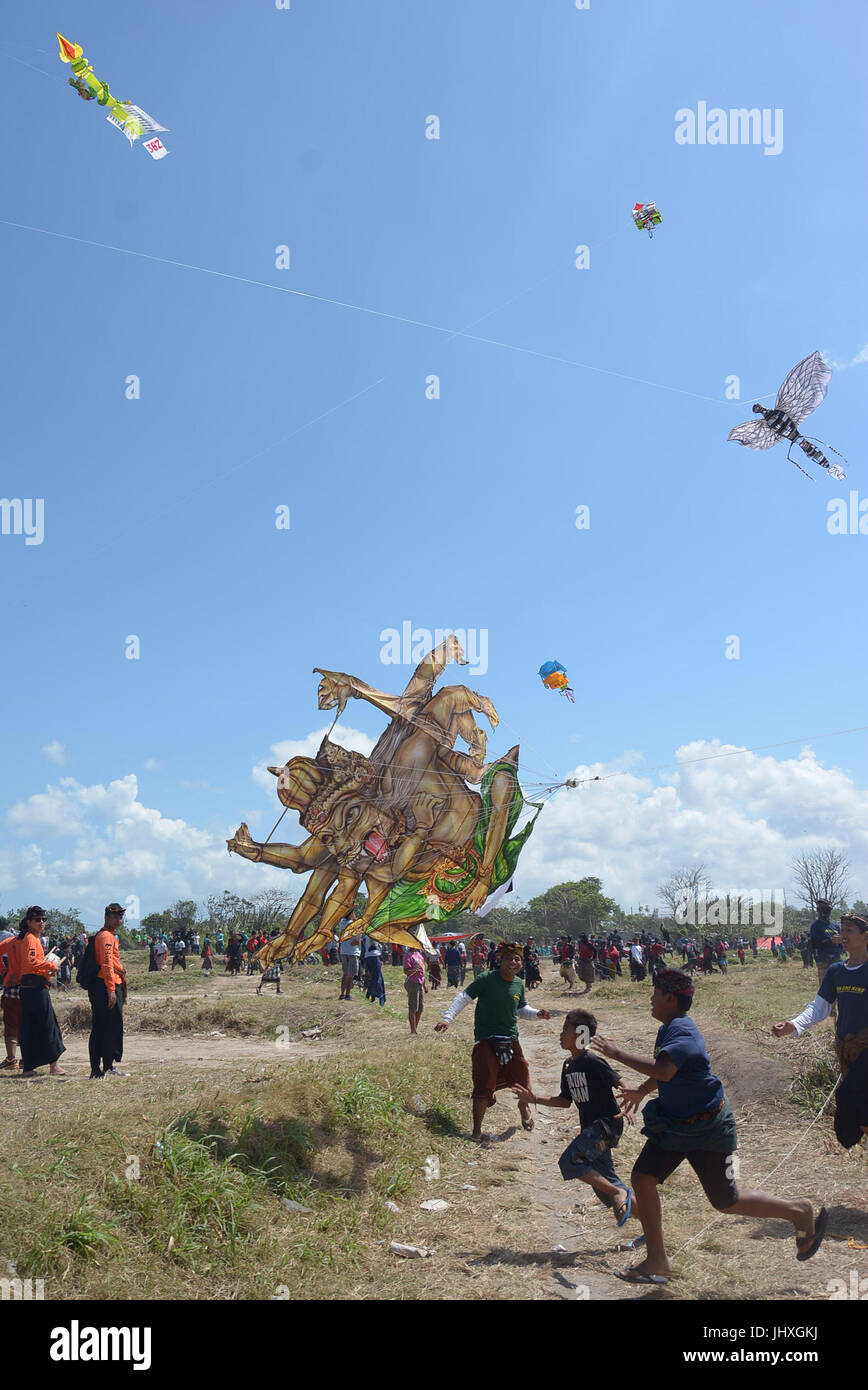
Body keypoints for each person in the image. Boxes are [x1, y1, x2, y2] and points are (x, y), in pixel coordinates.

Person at [591, 969, 825, 1284]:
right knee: (643, 1177)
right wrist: (642, 1091)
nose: (650, 998)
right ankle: (658, 1260)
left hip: (709, 1128)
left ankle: (799, 1212)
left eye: (655, 992)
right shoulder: (669, 1029)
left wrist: (617, 1053)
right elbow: (670, 1071)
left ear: (670, 998)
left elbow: (666, 1070)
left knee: (726, 1200)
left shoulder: (683, 1031)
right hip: (676, 1126)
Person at [512, 1009, 633, 1227]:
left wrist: (630, 1103)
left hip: (605, 1125)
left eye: (565, 1029)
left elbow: (619, 1080)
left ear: (581, 1034)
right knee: (606, 1184)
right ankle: (652, 1231)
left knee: (570, 1162)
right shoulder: (568, 1065)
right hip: (591, 1129)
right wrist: (533, 1098)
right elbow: (564, 1101)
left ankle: (616, 1193)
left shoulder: (591, 1061)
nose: (560, 1034)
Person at [435, 943, 551, 1141]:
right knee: (482, 1085)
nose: (513, 962)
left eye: (517, 959)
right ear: (500, 960)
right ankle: (477, 1131)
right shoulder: (486, 979)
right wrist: (448, 1018)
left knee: (522, 1079)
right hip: (486, 1039)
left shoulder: (518, 983)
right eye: (509, 958)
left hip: (510, 1039)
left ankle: (524, 1109)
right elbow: (464, 997)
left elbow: (521, 1009)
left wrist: (537, 1014)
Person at [772, 912, 868, 1150]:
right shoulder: (837, 971)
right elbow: (819, 1007)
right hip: (847, 1051)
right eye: (842, 930)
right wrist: (794, 1024)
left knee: (848, 1097)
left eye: (849, 931)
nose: (843, 936)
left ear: (865, 937)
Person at [6, 909, 66, 1079]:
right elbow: (32, 962)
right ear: (29, 922)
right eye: (37, 919)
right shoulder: (31, 939)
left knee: (30, 1027)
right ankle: (54, 1065)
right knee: (48, 1026)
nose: (41, 922)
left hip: (28, 987)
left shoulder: (29, 938)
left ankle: (29, 1067)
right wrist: (51, 966)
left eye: (43, 919)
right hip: (36, 988)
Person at [88, 905, 129, 1079]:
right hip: (104, 986)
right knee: (101, 1027)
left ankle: (108, 1066)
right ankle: (96, 1070)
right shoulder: (105, 936)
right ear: (107, 917)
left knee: (111, 1027)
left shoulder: (111, 936)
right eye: (115, 917)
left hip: (110, 984)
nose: (118, 920)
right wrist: (111, 990)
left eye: (120, 917)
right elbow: (106, 964)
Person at [0, 922, 21, 1070]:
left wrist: (4, 972)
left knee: (12, 1025)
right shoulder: (30, 941)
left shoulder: (10, 941)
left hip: (12, 987)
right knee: (25, 1025)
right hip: (29, 989)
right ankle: (26, 1059)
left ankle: (12, 1059)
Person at [809, 899, 843, 988]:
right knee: (826, 989)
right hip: (824, 960)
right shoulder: (816, 926)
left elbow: (841, 943)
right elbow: (815, 944)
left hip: (836, 959)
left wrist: (841, 941)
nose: (824, 911)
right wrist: (830, 940)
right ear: (818, 910)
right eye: (821, 908)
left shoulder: (835, 925)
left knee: (839, 986)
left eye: (826, 908)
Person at [403, 943, 428, 1034]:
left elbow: (422, 971)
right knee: (413, 1007)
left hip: (420, 983)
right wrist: (414, 971)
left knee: (420, 1008)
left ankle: (415, 1028)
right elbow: (406, 971)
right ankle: (413, 1030)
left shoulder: (419, 954)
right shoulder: (407, 955)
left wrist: (424, 985)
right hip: (412, 983)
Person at [338, 922, 363, 1000]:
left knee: (345, 973)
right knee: (351, 974)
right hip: (352, 952)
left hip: (343, 951)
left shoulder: (342, 923)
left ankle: (342, 994)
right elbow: (357, 942)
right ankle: (347, 995)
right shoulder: (356, 924)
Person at [363, 941, 386, 1007]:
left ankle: (372, 997)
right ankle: (379, 999)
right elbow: (373, 942)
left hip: (368, 957)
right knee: (377, 979)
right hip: (374, 957)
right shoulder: (372, 933)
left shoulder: (367, 934)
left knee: (376, 978)